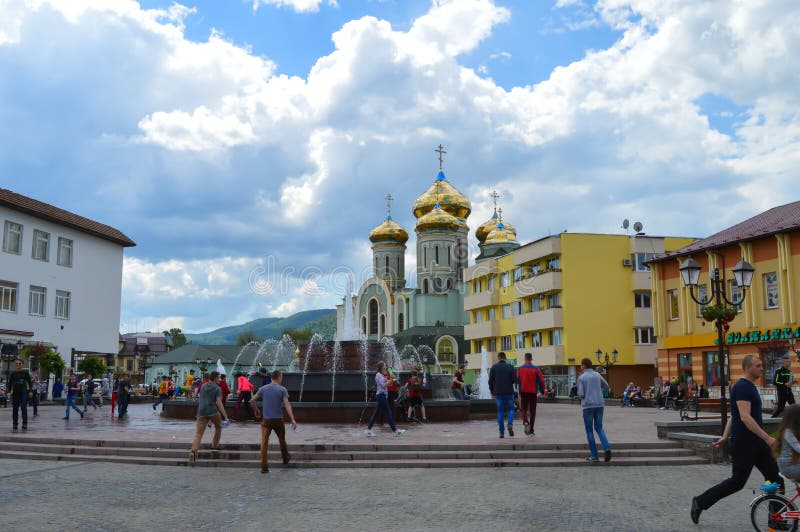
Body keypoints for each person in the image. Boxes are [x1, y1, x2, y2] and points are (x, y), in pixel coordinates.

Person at [691, 355, 782, 524]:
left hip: (757, 443)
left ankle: (776, 521)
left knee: (776, 479)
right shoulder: (742, 387)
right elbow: (745, 417)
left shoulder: (749, 387)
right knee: (737, 482)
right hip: (745, 444)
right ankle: (700, 501)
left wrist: (725, 436)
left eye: (761, 365)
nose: (762, 368)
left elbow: (734, 416)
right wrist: (768, 438)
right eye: (758, 365)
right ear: (748, 368)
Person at [252, 370, 298, 473]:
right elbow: (287, 405)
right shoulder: (282, 390)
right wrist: (293, 419)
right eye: (281, 376)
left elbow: (252, 400)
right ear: (279, 377)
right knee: (282, 439)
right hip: (278, 420)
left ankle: (264, 466)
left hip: (266, 420)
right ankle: (285, 458)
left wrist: (256, 410)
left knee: (264, 442)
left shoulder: (263, 389)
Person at [189, 371, 230, 465]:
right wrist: (226, 417)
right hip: (213, 412)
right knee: (219, 427)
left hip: (201, 412)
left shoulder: (203, 386)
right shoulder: (217, 388)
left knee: (198, 434)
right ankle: (214, 445)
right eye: (218, 377)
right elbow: (219, 403)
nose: (219, 379)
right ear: (215, 378)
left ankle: (193, 451)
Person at [577, 358, 611, 462]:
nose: (580, 367)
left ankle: (594, 455)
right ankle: (607, 448)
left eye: (581, 365)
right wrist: (598, 391)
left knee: (589, 430)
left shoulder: (582, 377)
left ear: (584, 366)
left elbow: (581, 394)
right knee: (599, 428)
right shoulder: (597, 375)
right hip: (600, 404)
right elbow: (606, 386)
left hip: (588, 406)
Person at [366, 361, 406, 438]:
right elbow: (384, 386)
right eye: (385, 365)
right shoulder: (378, 375)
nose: (386, 366)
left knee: (376, 414)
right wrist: (390, 380)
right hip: (381, 396)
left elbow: (389, 384)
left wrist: (392, 378)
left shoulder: (382, 375)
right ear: (381, 367)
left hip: (382, 396)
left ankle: (368, 430)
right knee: (388, 412)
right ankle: (395, 431)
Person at [517, 353, 545, 436]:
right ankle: (532, 430)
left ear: (525, 359)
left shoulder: (520, 369)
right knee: (533, 411)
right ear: (531, 359)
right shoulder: (536, 369)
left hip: (523, 391)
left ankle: (525, 421)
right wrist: (542, 390)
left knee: (524, 409)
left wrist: (519, 391)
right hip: (533, 392)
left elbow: (517, 380)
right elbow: (541, 380)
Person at [489, 352, 516, 438]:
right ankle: (510, 424)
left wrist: (492, 391)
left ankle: (501, 432)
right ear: (505, 358)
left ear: (498, 358)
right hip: (509, 392)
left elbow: (490, 381)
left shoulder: (494, 367)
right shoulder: (510, 367)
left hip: (498, 393)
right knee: (511, 409)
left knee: (500, 412)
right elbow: (514, 380)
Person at [775, 404, 800, 482]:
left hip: (794, 465)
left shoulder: (794, 431)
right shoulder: (788, 432)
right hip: (789, 468)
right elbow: (798, 448)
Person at [8, 359, 32, 430]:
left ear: (22, 364)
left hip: (23, 393)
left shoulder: (25, 373)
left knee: (23, 408)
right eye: (17, 364)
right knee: (15, 409)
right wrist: (9, 391)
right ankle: (15, 424)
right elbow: (10, 384)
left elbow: (30, 383)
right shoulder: (13, 374)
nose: (18, 365)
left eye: (19, 363)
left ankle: (24, 424)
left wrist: (30, 391)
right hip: (15, 393)